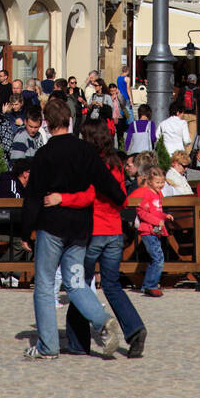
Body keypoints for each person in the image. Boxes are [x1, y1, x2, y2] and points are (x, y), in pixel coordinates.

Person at [20, 95, 124, 360]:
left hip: (52, 226)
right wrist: (120, 198)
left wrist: (25, 231)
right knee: (76, 283)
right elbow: (105, 182)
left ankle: (48, 347)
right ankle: (102, 321)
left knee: (44, 285)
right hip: (80, 229)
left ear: (46, 123)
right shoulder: (85, 151)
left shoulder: (43, 155)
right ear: (69, 120)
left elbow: (32, 197)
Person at [54, 120, 148, 357]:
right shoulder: (116, 165)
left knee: (79, 285)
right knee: (113, 286)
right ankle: (135, 330)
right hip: (114, 230)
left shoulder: (89, 164)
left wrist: (61, 200)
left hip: (93, 230)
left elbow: (86, 196)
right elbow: (121, 197)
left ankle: (77, 341)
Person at [130, 165, 173, 297]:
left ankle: (147, 285)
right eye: (157, 182)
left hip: (155, 230)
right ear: (150, 181)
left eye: (162, 182)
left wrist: (165, 216)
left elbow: (156, 212)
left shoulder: (157, 195)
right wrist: (156, 221)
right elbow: (141, 212)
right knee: (158, 258)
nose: (160, 185)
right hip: (148, 230)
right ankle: (151, 285)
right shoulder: (148, 194)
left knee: (155, 258)